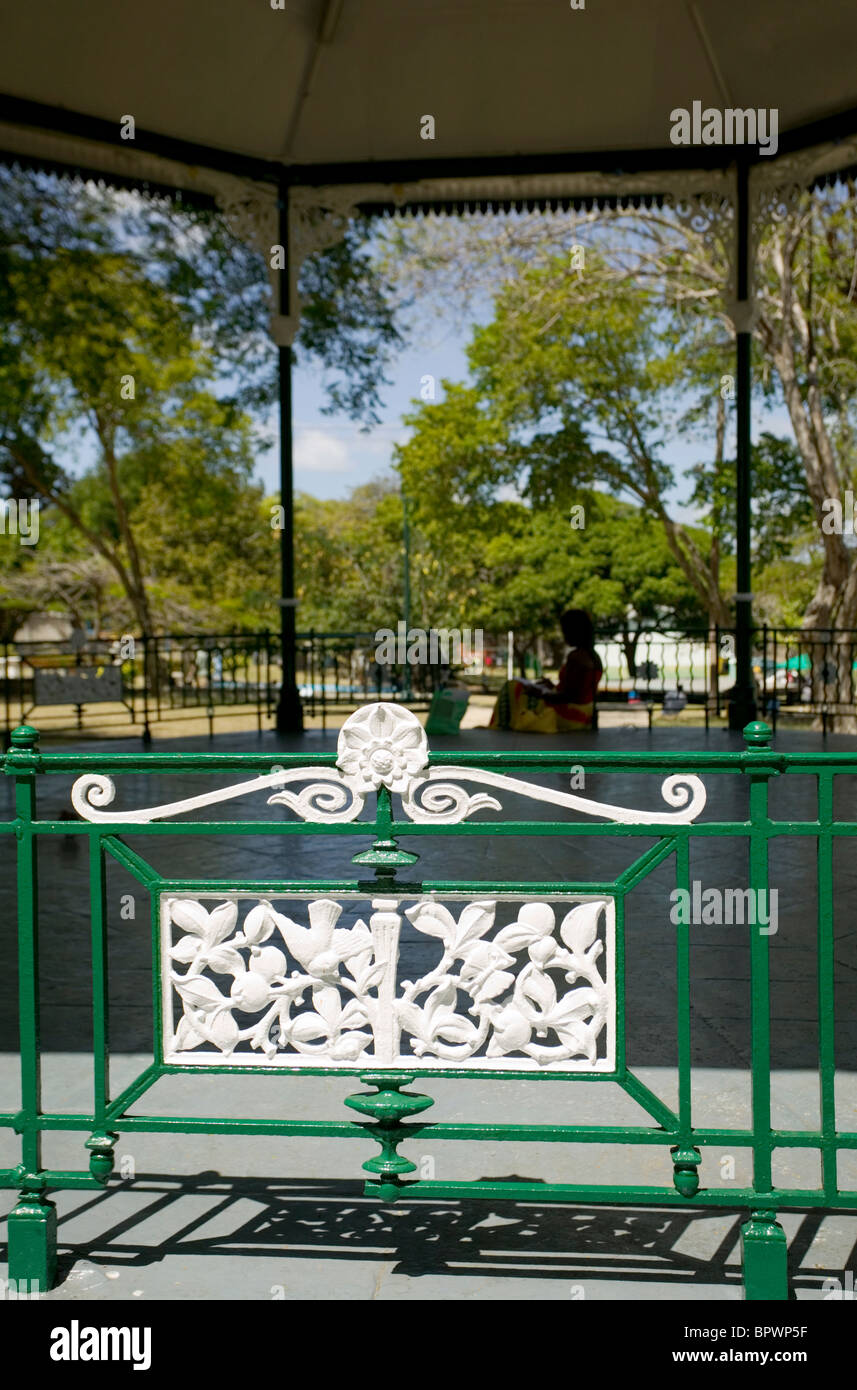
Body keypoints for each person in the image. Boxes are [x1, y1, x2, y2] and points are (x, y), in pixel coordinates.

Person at [490, 610, 603, 733]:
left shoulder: (577, 657)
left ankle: (502, 725)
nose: (564, 635)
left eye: (565, 631)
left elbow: (567, 697)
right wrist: (551, 687)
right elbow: (573, 690)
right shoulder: (593, 656)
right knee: (518, 686)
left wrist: (541, 692)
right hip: (584, 712)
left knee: (512, 687)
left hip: (571, 714)